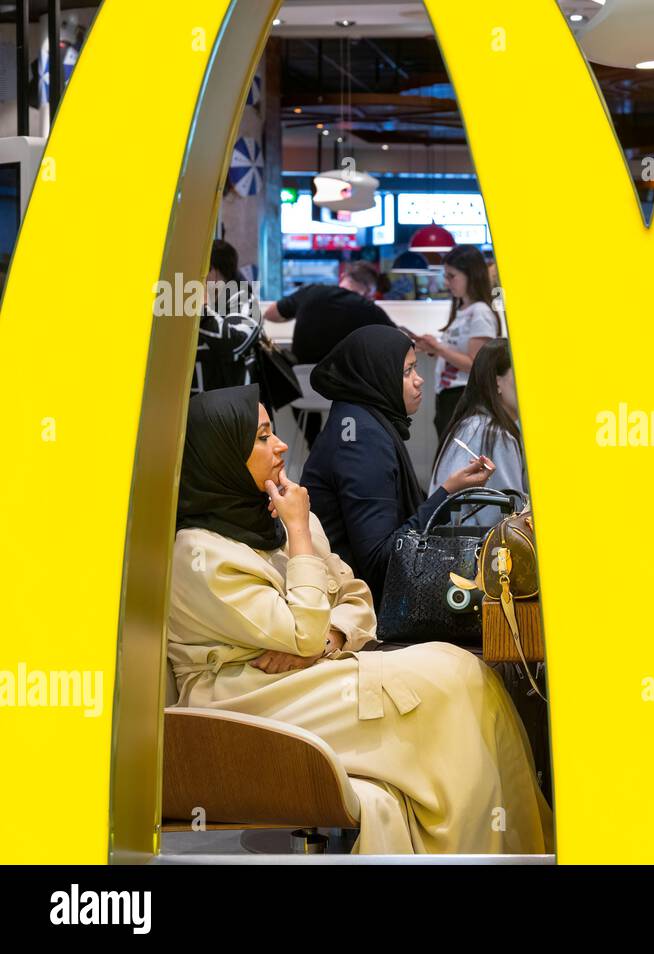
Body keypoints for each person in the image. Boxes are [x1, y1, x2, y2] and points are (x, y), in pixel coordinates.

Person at [168, 385, 553, 853]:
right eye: (264, 436)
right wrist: (299, 542)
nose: (282, 445)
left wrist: (329, 638)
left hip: (307, 682)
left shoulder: (281, 518)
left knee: (471, 676)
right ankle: (480, 852)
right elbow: (303, 633)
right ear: (220, 455)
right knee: (453, 684)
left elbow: (357, 601)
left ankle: (511, 849)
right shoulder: (201, 553)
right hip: (244, 707)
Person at [300, 325, 494, 607]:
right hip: (359, 607)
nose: (419, 381)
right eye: (407, 372)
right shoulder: (361, 440)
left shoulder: (355, 418)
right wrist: (446, 493)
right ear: (377, 375)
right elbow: (383, 559)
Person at [411, 244, 501, 447]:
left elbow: (475, 364)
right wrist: (433, 348)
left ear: (471, 275)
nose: (446, 282)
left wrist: (440, 348)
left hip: (463, 397)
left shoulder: (480, 313)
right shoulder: (463, 309)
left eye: (452, 276)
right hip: (449, 396)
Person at [430, 339, 528, 523]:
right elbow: (507, 517)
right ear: (496, 381)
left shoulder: (472, 425)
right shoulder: (494, 433)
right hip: (477, 549)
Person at [265, 261, 395, 365]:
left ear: (343, 276)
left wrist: (299, 312)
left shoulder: (311, 292)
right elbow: (399, 341)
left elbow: (270, 314)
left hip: (301, 381)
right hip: (343, 386)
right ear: (369, 291)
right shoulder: (369, 309)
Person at [191, 239, 262, 395]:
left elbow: (235, 343)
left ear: (212, 272)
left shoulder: (245, 301)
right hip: (191, 407)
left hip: (229, 410)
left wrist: (201, 309)